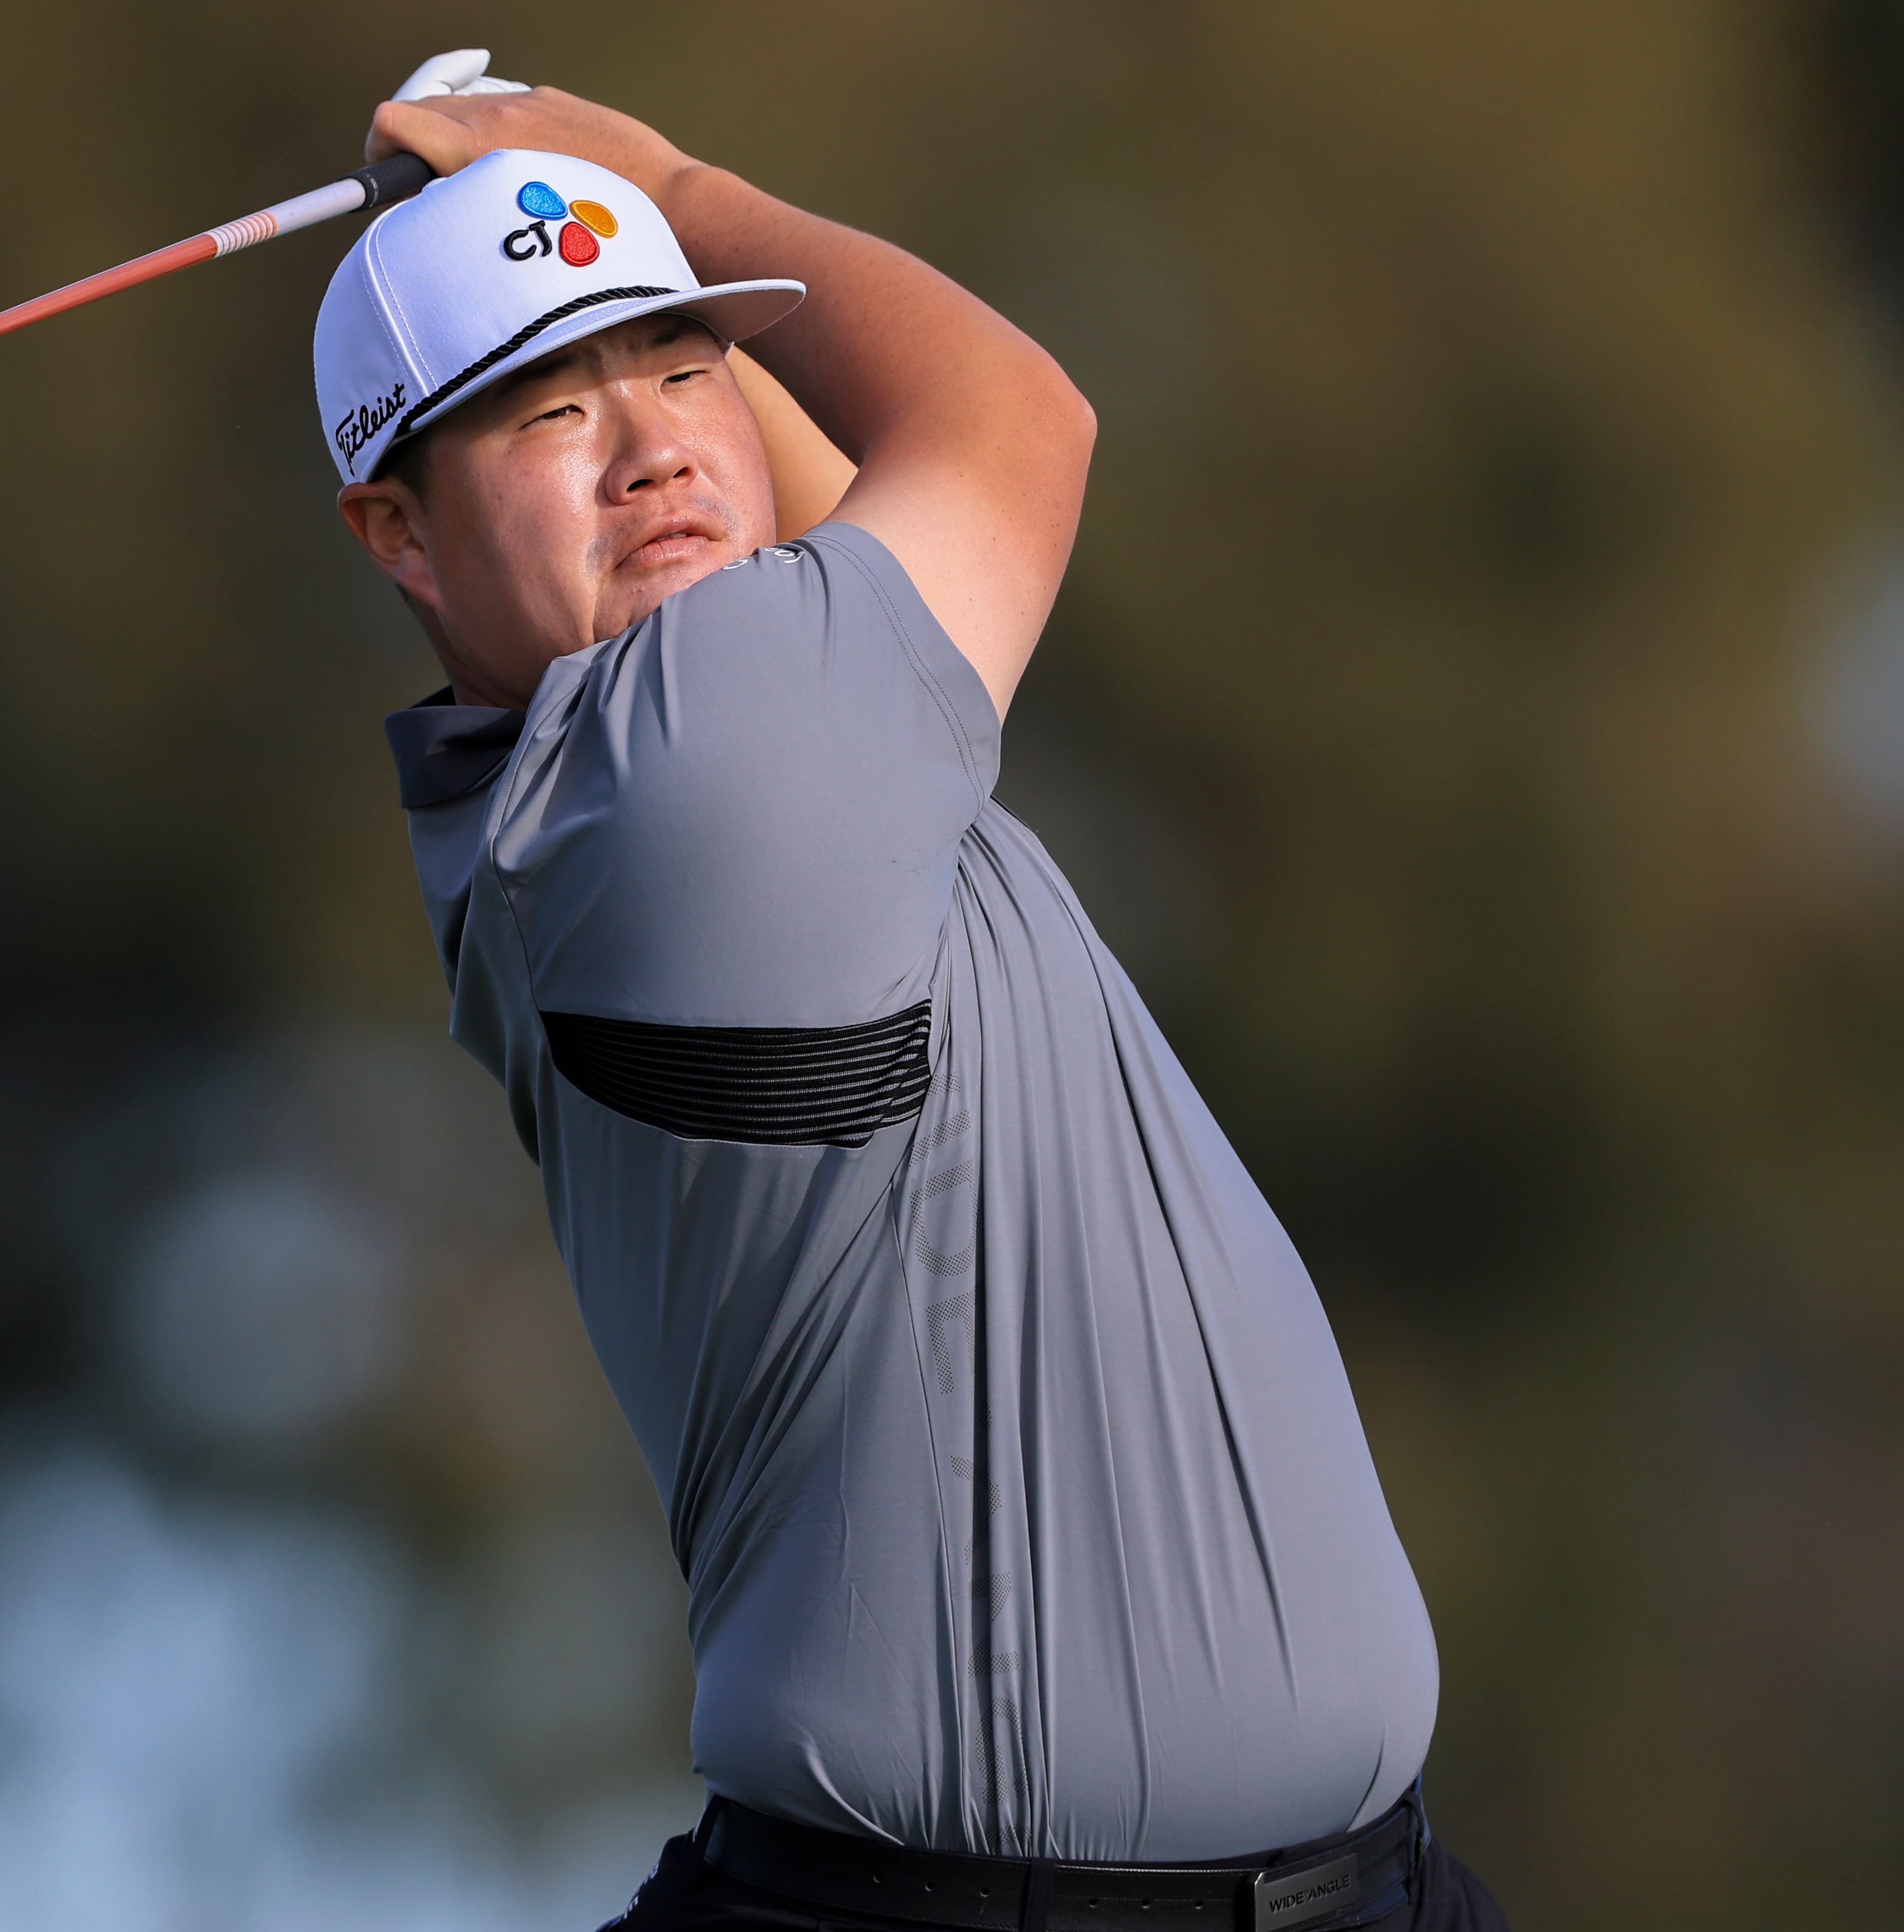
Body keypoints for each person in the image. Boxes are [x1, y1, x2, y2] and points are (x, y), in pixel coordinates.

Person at [322, 79, 1515, 1932]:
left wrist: (620, 246)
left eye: (684, 371)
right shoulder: (689, 767)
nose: (652, 453)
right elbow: (1016, 421)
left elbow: (823, 520)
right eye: (552, 413)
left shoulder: (664, 746)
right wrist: (674, 185)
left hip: (1367, 1894)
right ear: (400, 534)